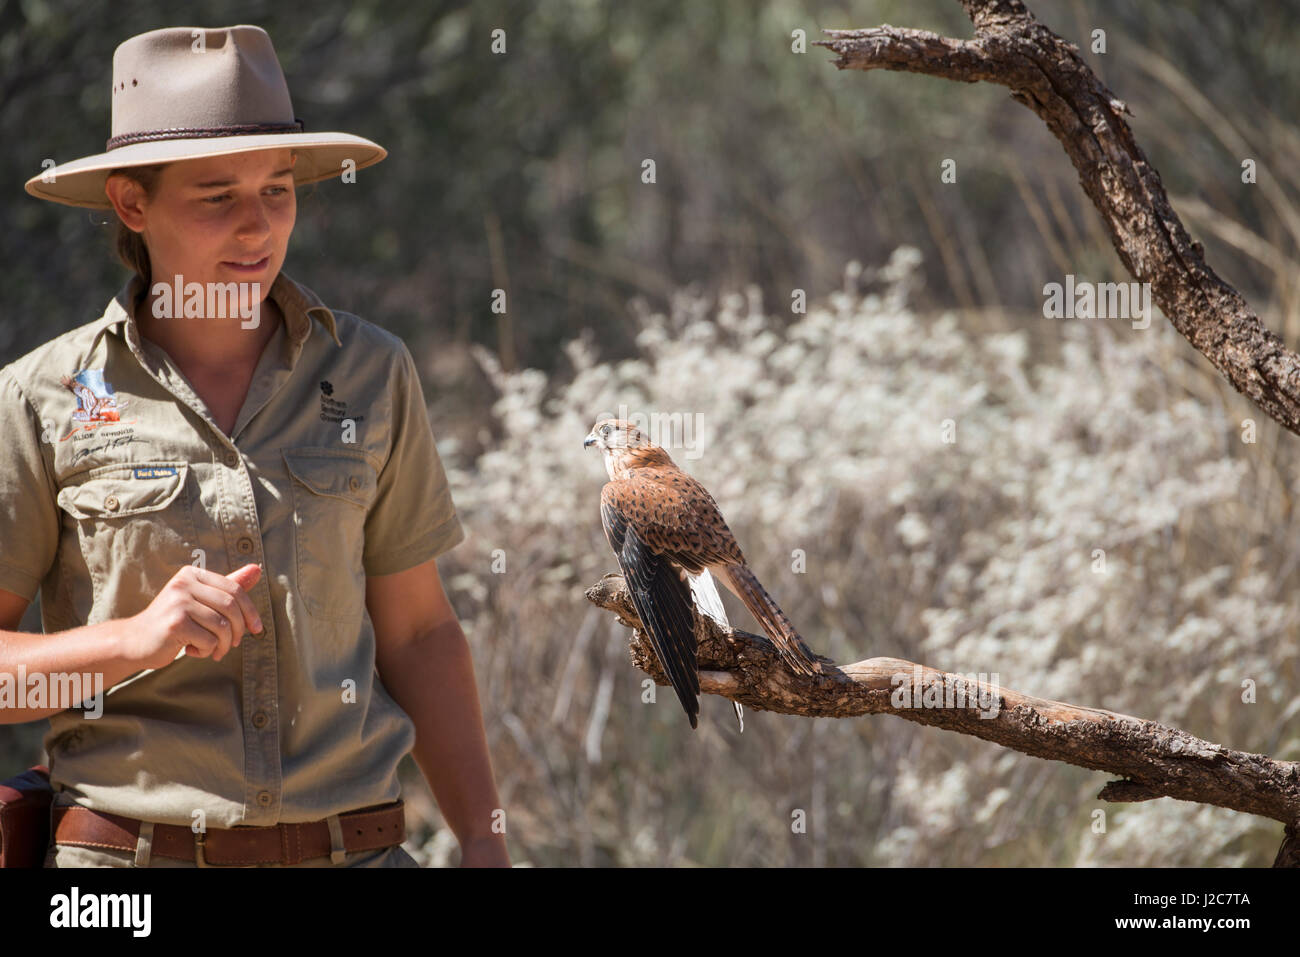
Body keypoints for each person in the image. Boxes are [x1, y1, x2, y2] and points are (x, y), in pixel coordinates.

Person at [0, 24, 510, 867]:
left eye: (278, 189)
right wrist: (134, 640)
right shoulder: (40, 397)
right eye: (216, 196)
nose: (259, 225)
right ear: (132, 203)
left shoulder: (373, 371)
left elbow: (420, 636)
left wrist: (487, 846)